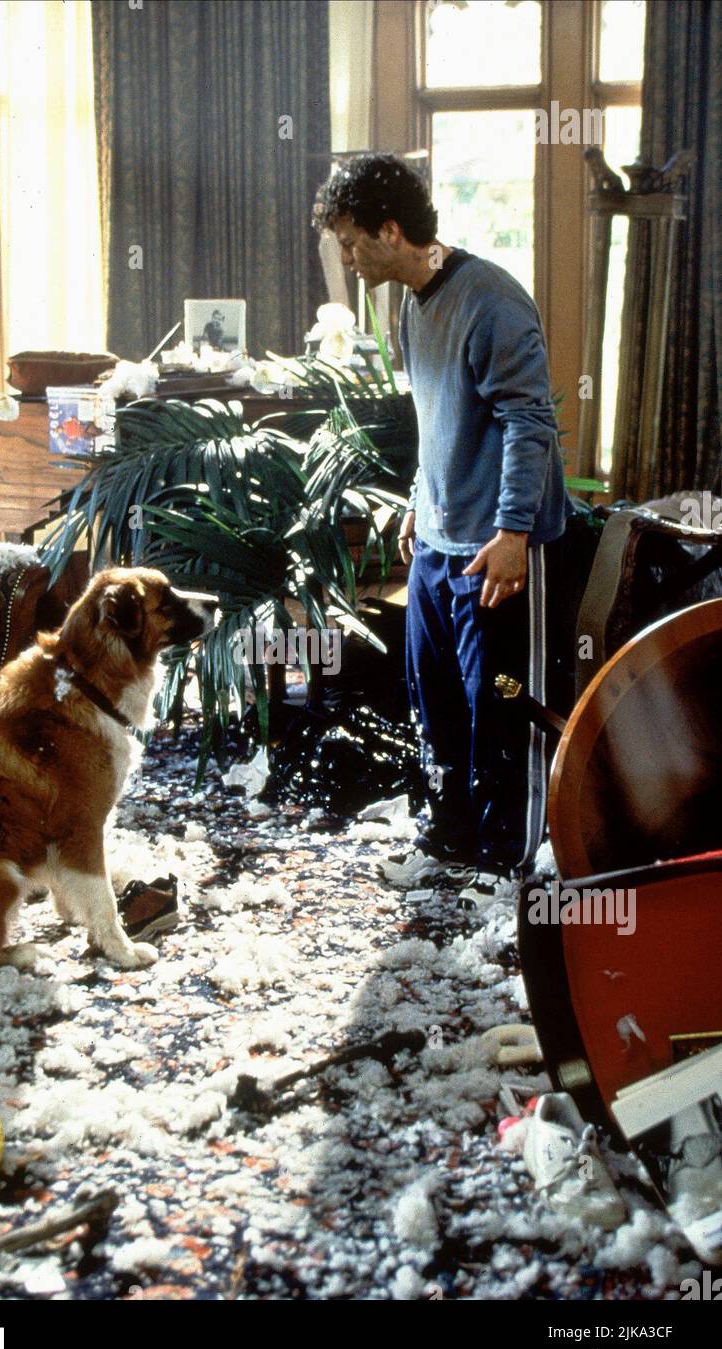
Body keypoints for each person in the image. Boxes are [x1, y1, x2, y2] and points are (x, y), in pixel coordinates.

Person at [313, 154, 571, 909]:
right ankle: (448, 836)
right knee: (436, 701)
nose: (348, 260)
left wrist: (513, 533)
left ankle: (506, 860)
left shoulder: (491, 301)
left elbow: (530, 423)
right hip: (436, 540)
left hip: (498, 547)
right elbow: (437, 419)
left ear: (391, 231)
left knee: (501, 706)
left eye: (352, 243)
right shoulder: (409, 305)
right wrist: (417, 505)